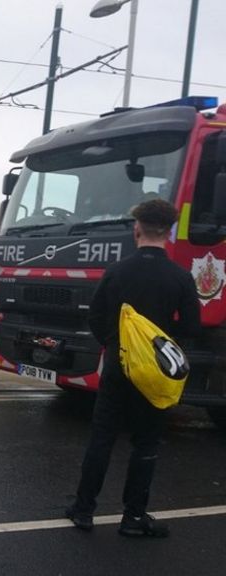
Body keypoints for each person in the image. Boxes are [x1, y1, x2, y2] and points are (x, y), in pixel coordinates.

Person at [66, 199, 200, 538]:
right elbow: (191, 327)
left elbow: (96, 316)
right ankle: (133, 517)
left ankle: (83, 510)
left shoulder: (117, 271)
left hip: (118, 364)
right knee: (146, 443)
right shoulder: (181, 277)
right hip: (155, 372)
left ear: (136, 229)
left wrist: (115, 345)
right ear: (169, 232)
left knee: (102, 437)